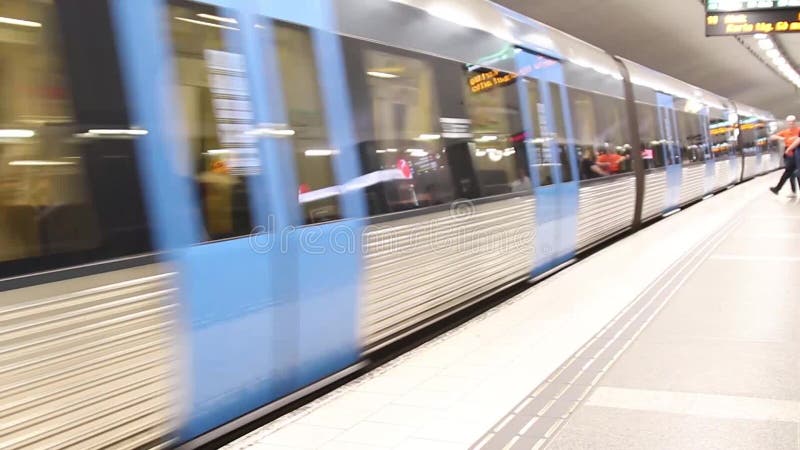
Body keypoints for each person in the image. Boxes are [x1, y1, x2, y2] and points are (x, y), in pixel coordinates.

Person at [769, 115, 799, 194]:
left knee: (792, 172)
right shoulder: (785, 132)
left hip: (797, 152)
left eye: (792, 122)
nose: (791, 124)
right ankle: (779, 189)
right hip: (789, 154)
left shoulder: (799, 130)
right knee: (791, 172)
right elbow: (772, 137)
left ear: (795, 122)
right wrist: (780, 138)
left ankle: (778, 188)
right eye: (789, 122)